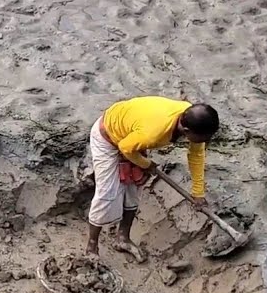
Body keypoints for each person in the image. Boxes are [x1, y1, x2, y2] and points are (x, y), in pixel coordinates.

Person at [86, 96, 219, 260]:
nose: (207, 141)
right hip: (107, 135)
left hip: (132, 135)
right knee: (106, 194)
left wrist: (198, 192)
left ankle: (123, 239)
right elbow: (125, 148)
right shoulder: (154, 133)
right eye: (204, 139)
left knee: (132, 191)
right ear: (186, 132)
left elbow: (197, 156)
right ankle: (91, 249)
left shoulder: (192, 119)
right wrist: (146, 164)